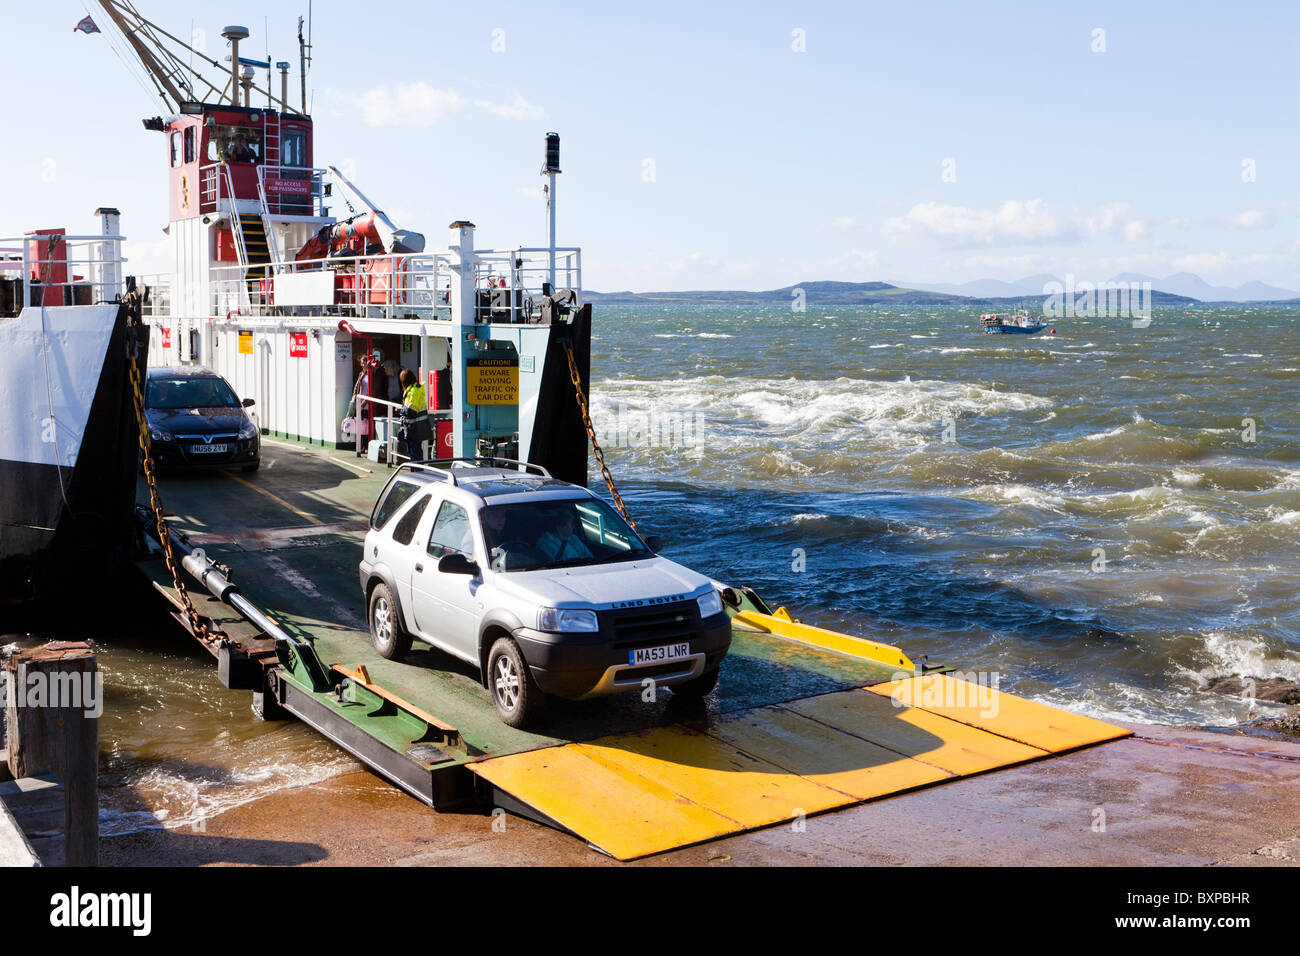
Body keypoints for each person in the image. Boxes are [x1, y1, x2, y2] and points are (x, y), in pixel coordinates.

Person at [398, 368, 430, 462]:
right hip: (419, 426)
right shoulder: (416, 389)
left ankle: (417, 473)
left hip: (413, 427)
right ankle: (417, 472)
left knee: (414, 452)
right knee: (415, 451)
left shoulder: (412, 392)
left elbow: (411, 411)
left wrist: (401, 410)